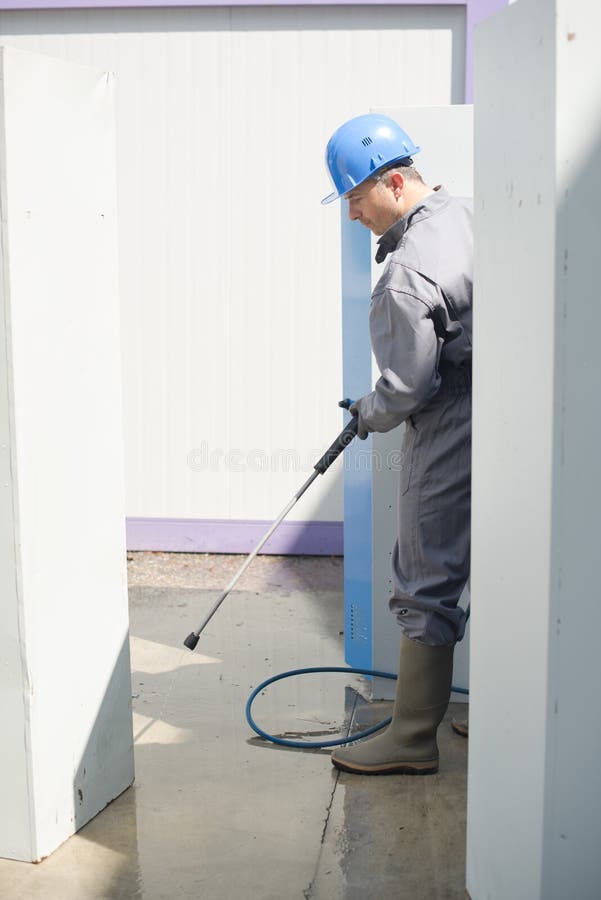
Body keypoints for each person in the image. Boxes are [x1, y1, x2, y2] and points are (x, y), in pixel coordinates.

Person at [322, 113, 472, 775]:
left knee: (425, 574)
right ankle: (513, 707)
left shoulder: (405, 274)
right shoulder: (471, 215)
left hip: (454, 418)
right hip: (523, 407)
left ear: (390, 182)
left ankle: (411, 738)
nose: (352, 214)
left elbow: (407, 387)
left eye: (354, 198)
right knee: (514, 561)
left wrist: (366, 413)